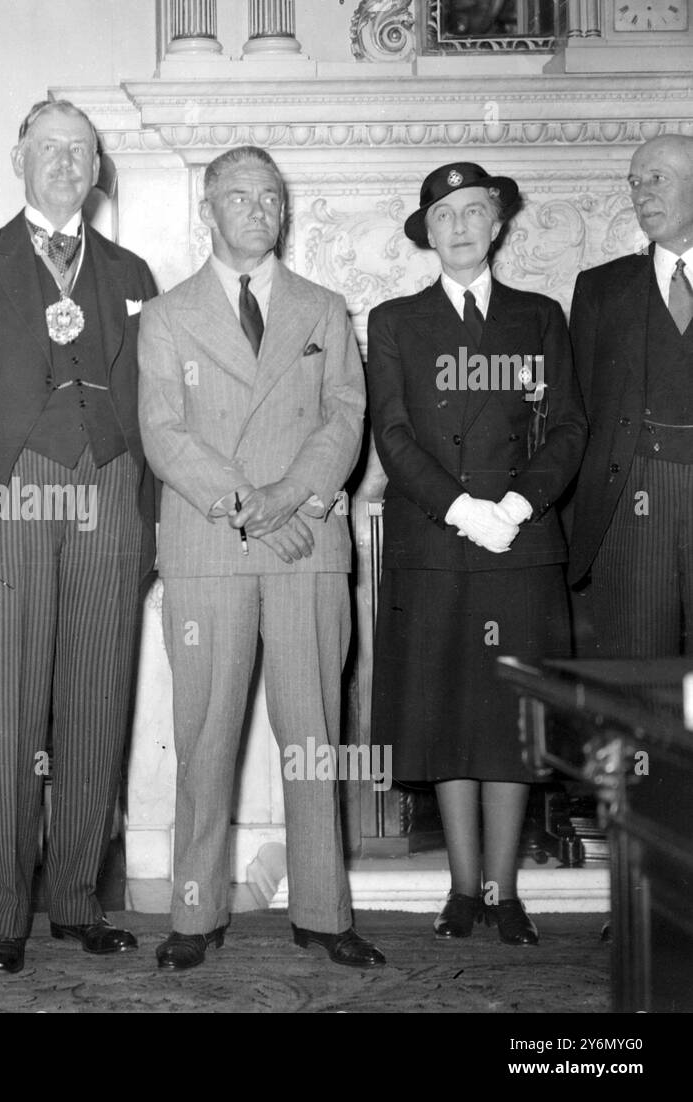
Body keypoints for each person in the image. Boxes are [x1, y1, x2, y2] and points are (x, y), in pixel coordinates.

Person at [0, 100, 158, 973]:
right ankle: (5, 917)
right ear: (19, 158)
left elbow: (155, 410)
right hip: (10, 500)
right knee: (14, 711)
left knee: (98, 701)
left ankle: (79, 900)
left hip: (112, 493)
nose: (66, 163)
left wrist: (150, 520)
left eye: (81, 151)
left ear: (98, 170)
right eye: (50, 148)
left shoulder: (132, 271)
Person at [139, 146, 383, 971]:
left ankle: (322, 909)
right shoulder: (167, 316)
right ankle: (195, 915)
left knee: (312, 733)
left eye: (270, 197)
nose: (257, 208)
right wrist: (251, 506)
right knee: (204, 735)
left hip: (306, 544)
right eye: (238, 196)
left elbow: (346, 416)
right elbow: (163, 433)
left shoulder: (324, 307)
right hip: (212, 546)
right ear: (208, 211)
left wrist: (294, 497)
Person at [367, 162, 587, 945]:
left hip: (520, 548)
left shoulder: (539, 316)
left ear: (497, 225)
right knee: (447, 714)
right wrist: (461, 508)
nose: (460, 225)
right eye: (444, 214)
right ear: (426, 232)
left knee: (509, 720)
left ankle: (506, 892)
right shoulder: (393, 321)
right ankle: (464, 889)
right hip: (436, 542)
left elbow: (567, 428)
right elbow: (392, 433)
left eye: (474, 211)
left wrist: (519, 506)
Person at [567, 134, 693, 657]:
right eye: (635, 183)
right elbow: (576, 412)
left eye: (656, 179)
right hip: (632, 500)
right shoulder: (600, 288)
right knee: (637, 673)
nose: (642, 195)